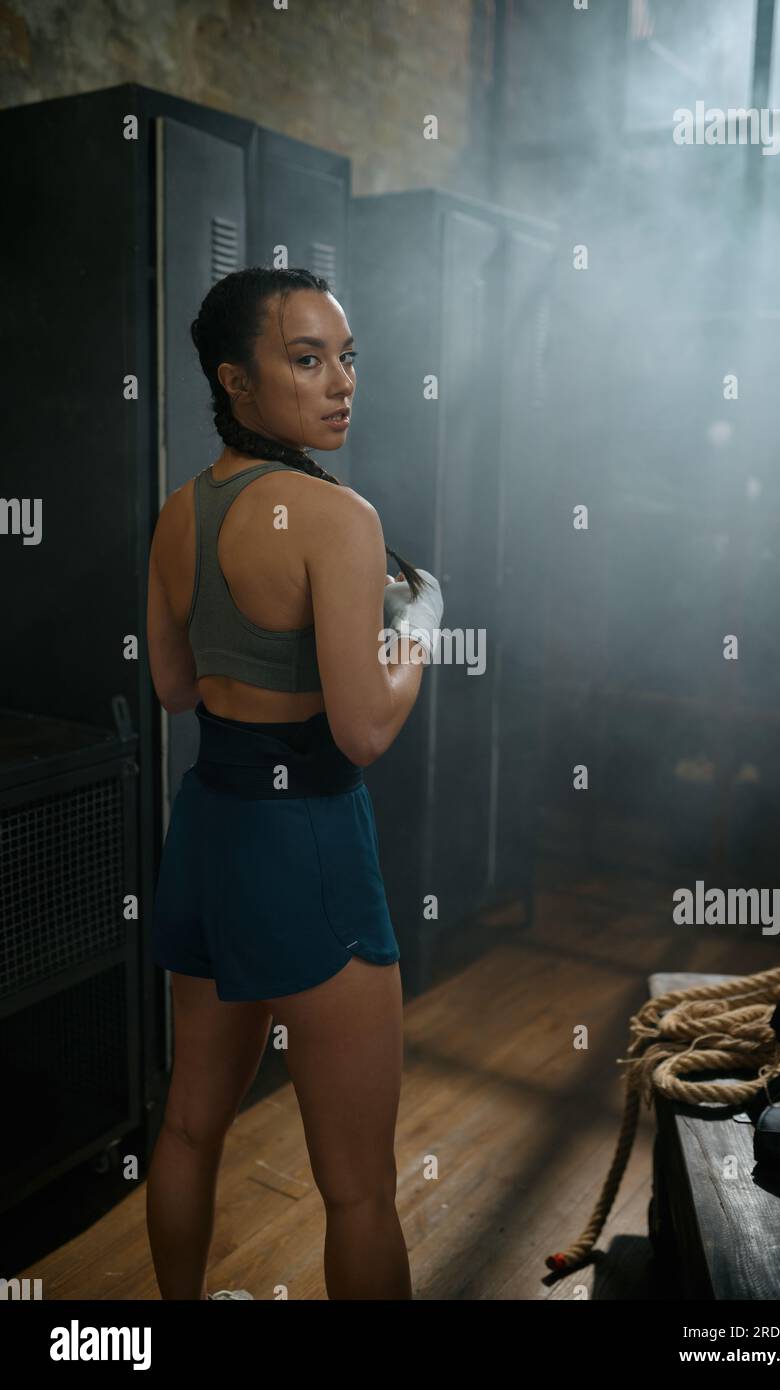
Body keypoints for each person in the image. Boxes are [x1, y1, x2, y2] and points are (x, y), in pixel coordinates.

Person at [144, 266, 443, 1301]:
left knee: (187, 1123)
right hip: (308, 840)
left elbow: (175, 688)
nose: (340, 382)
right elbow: (360, 729)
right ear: (237, 380)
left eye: (346, 357)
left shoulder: (180, 513)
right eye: (306, 359)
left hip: (209, 838)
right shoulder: (339, 517)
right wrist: (418, 632)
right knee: (359, 1190)